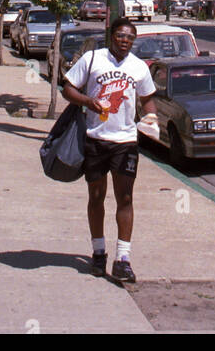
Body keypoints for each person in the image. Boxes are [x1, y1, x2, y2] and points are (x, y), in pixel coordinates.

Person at [62, 17, 158, 284]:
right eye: (120, 35)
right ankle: (99, 253)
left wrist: (152, 119)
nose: (124, 41)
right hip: (95, 138)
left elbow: (148, 100)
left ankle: (123, 259)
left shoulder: (138, 67)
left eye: (129, 37)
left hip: (125, 142)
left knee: (125, 197)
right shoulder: (93, 59)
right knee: (96, 197)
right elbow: (68, 89)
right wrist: (88, 102)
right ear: (111, 36)